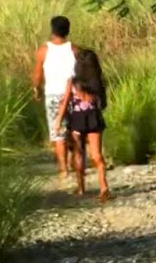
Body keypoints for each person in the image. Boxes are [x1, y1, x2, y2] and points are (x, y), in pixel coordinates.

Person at [55, 46, 111, 202]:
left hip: (77, 120)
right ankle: (103, 186)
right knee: (97, 155)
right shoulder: (98, 83)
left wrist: (58, 121)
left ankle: (81, 188)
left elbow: (65, 102)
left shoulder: (73, 83)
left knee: (79, 154)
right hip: (94, 119)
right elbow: (103, 104)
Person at [31, 15, 76, 180]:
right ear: (67, 30)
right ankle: (72, 162)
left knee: (57, 132)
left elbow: (37, 73)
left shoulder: (44, 50)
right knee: (72, 129)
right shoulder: (74, 50)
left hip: (53, 94)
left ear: (52, 30)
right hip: (72, 94)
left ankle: (64, 169)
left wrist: (36, 87)